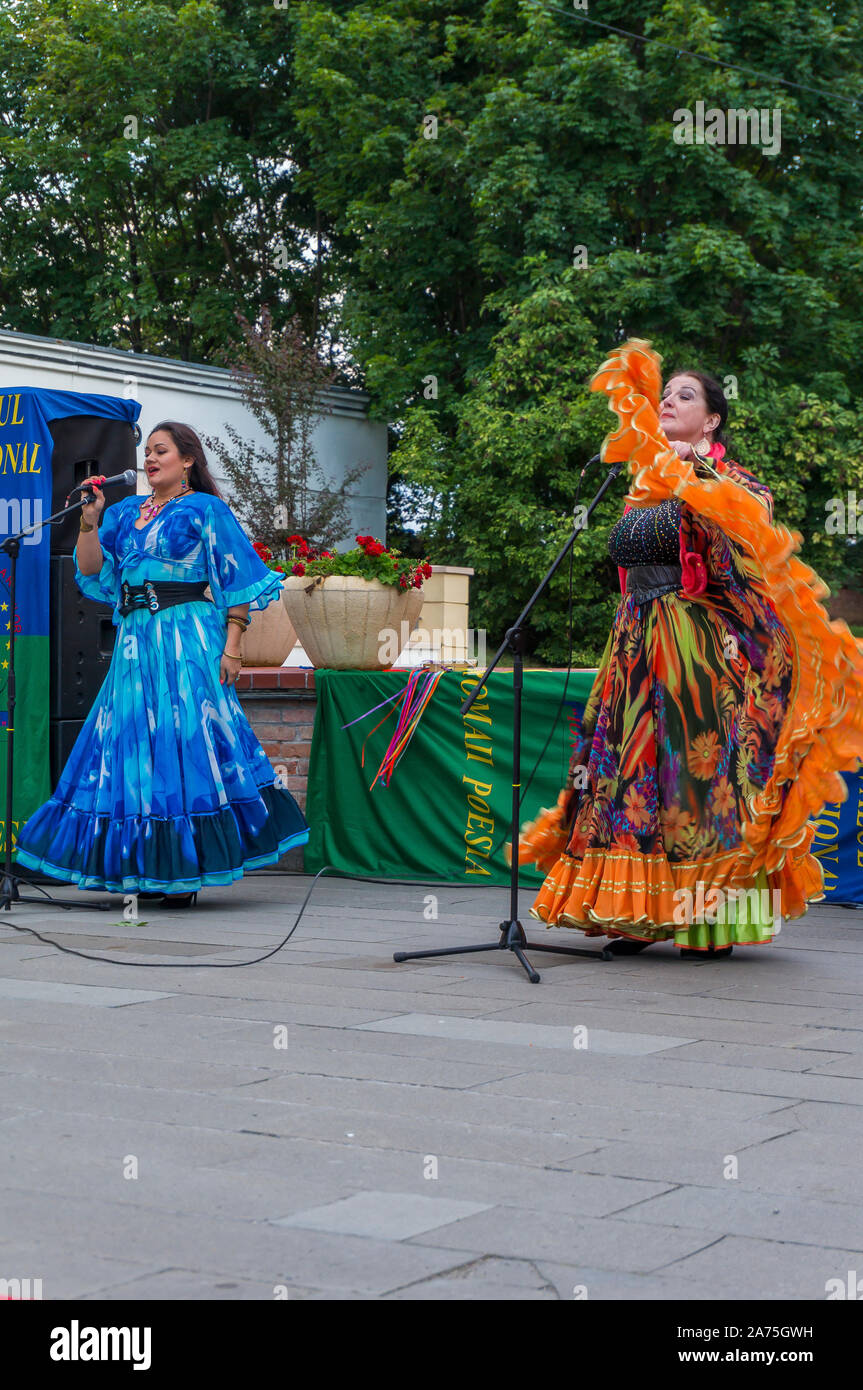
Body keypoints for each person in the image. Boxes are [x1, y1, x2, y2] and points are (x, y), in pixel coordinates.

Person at [517, 339, 863, 958]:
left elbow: (753, 527)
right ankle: (634, 915)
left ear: (712, 420)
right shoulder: (643, 485)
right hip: (636, 644)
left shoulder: (731, 480)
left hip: (701, 650)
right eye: (664, 394)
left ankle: (710, 921)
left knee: (699, 781)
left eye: (685, 395)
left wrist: (696, 471)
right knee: (628, 777)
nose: (669, 402)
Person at [14, 421, 308, 905]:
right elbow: (90, 568)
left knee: (183, 743)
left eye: (161, 451)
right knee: (129, 746)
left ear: (187, 460)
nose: (149, 459)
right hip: (134, 639)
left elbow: (236, 578)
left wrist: (233, 644)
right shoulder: (126, 512)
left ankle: (185, 868)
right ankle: (146, 864)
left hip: (186, 635)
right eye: (146, 452)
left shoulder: (205, 509)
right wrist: (90, 520)